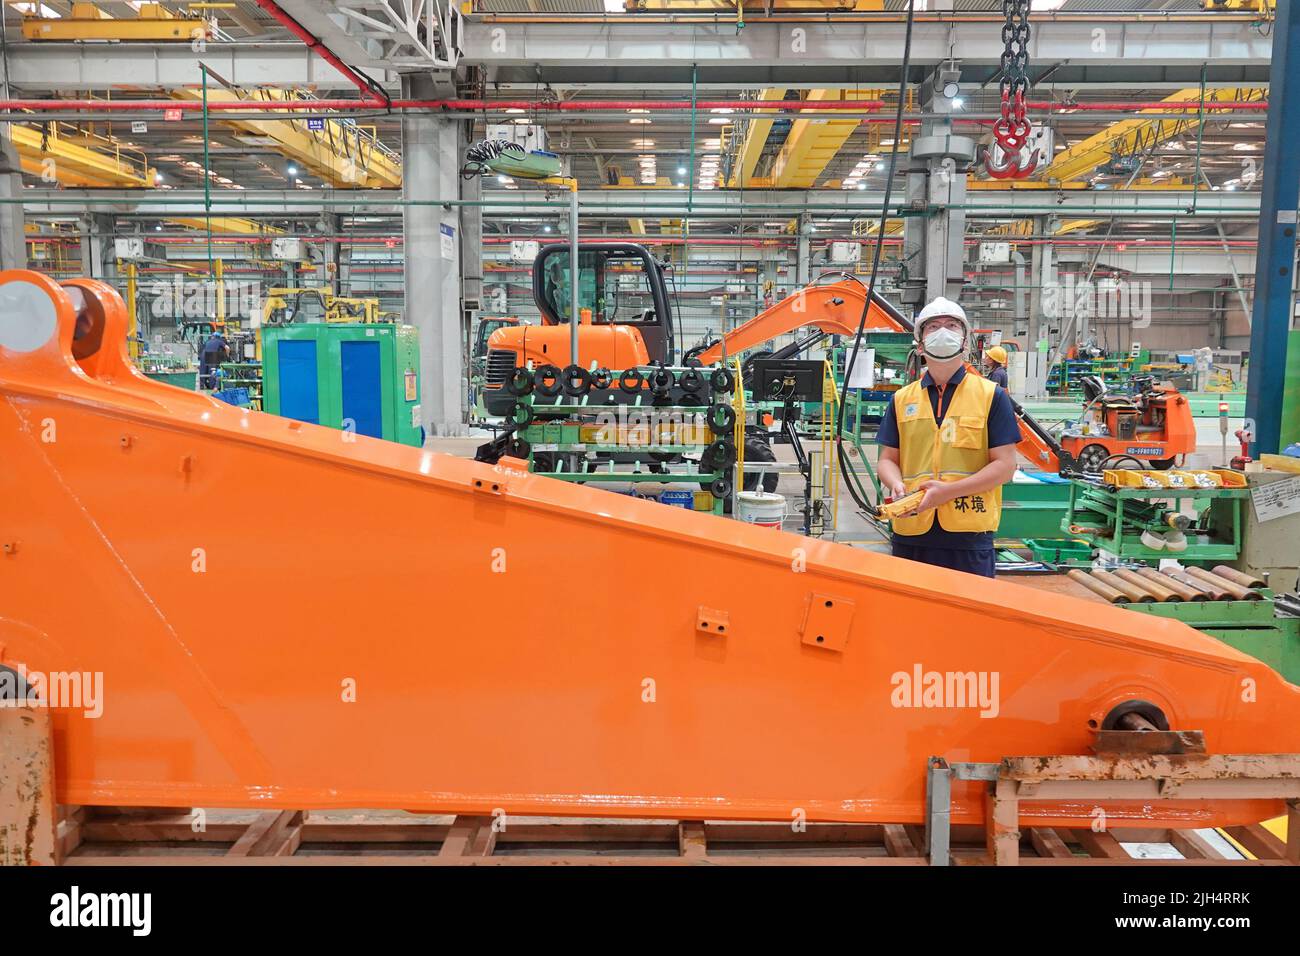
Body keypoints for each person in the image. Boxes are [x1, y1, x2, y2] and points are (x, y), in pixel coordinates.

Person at [875, 297, 1020, 578]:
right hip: (911, 530)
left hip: (968, 535)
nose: (943, 332)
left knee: (968, 620)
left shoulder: (992, 396)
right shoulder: (901, 399)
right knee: (910, 617)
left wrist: (948, 492)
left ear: (965, 343)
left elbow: (1005, 466)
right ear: (920, 344)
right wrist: (896, 485)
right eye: (933, 327)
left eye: (952, 326)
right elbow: (887, 460)